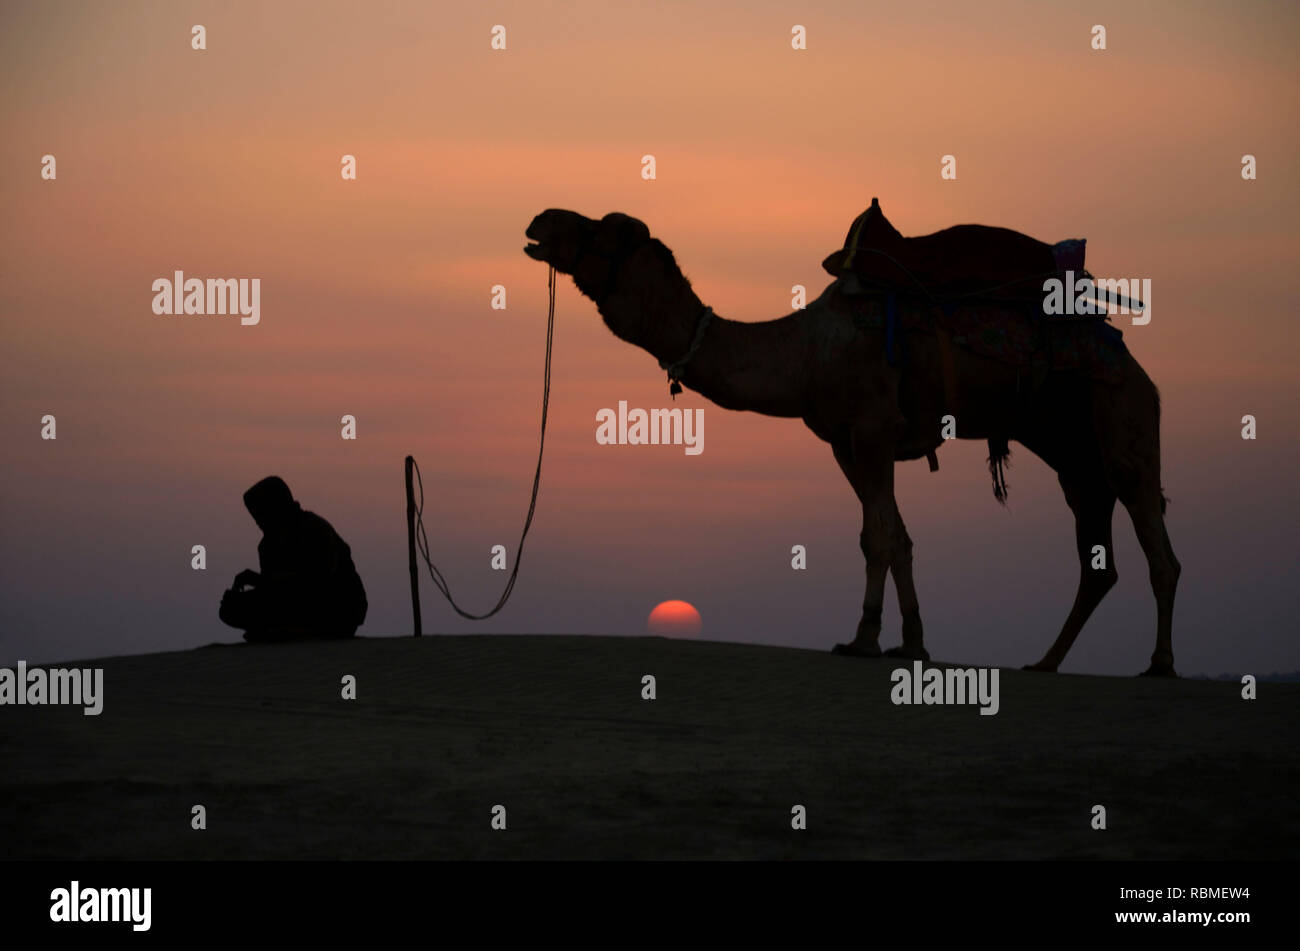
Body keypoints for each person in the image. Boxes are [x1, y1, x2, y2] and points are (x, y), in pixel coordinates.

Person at [219, 476, 367, 643]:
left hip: (335, 606)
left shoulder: (315, 529)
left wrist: (260, 581)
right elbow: (274, 593)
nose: (258, 522)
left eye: (261, 513)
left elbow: (316, 583)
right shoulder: (267, 545)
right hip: (294, 607)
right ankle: (283, 630)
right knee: (231, 609)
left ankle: (293, 631)